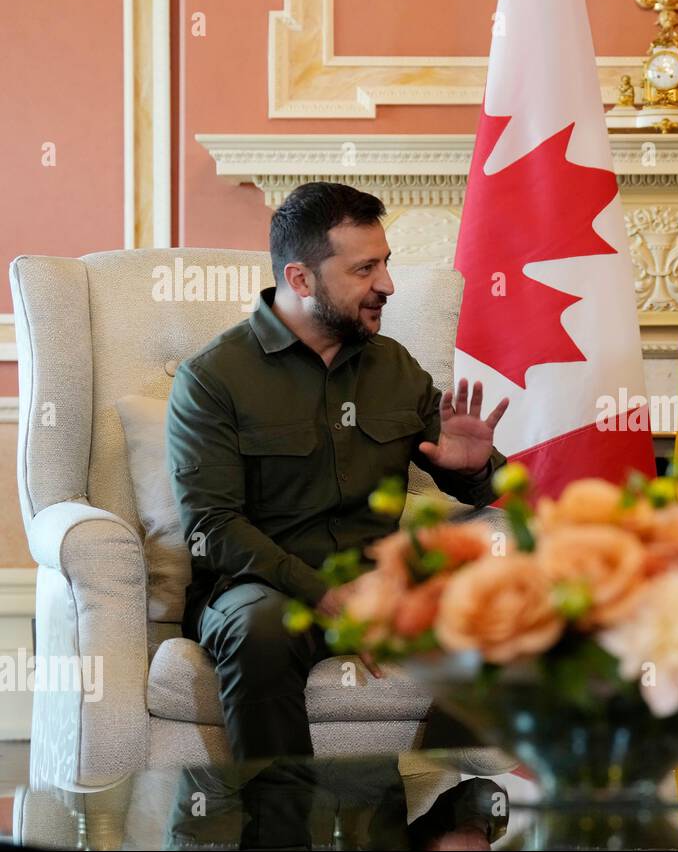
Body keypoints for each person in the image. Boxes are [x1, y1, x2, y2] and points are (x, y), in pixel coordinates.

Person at [167, 182, 509, 763]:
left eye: (387, 264)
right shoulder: (213, 378)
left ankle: (458, 813)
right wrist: (326, 595)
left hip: (381, 583)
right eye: (365, 269)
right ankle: (281, 827)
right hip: (263, 589)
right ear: (300, 280)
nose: (387, 286)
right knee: (261, 631)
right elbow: (213, 525)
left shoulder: (395, 366)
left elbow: (476, 480)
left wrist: (476, 469)